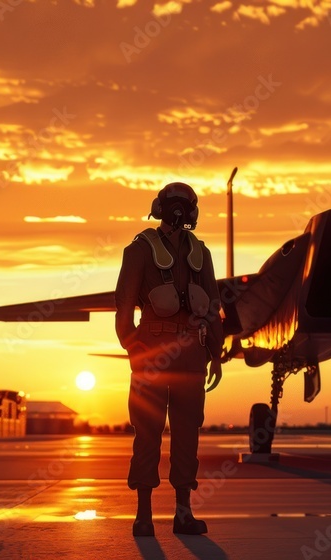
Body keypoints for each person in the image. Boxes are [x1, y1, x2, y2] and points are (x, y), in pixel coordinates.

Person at [115, 182, 223, 537]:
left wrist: (215, 353)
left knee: (186, 435)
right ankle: (143, 515)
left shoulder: (201, 253)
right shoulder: (140, 249)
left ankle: (182, 513)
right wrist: (133, 347)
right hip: (152, 353)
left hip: (192, 355)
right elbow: (124, 303)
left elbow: (212, 308)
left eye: (183, 204)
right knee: (146, 433)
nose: (179, 211)